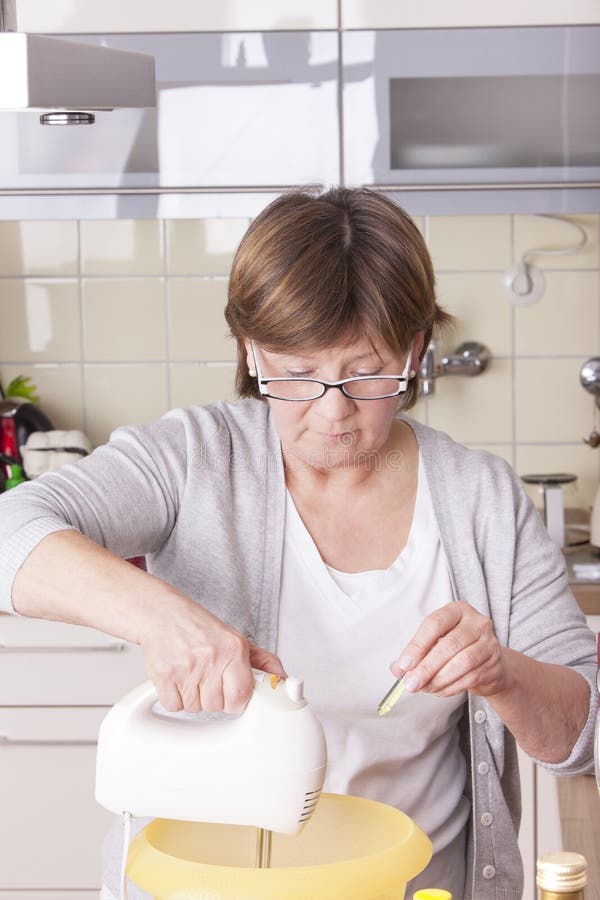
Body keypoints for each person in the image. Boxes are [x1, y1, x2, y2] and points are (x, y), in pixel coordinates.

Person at [0, 187, 595, 900]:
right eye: (297, 374)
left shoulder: (483, 502)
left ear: (414, 348)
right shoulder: (195, 457)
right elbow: (12, 528)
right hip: (204, 888)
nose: (333, 412)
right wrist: (165, 619)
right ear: (252, 353)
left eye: (365, 371)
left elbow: (580, 739)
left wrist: (502, 672)